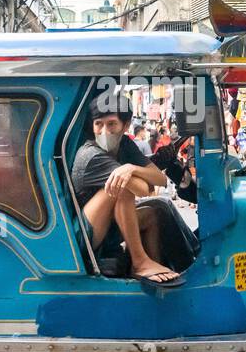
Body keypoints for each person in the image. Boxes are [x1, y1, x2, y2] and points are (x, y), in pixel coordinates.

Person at [72, 96, 182, 287]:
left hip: (109, 228)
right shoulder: (91, 155)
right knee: (120, 187)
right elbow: (142, 189)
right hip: (83, 235)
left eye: (112, 124)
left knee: (155, 210)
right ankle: (140, 263)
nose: (105, 131)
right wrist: (136, 176)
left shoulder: (124, 144)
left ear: (126, 125)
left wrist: (131, 168)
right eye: (99, 124)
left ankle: (153, 266)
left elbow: (160, 179)